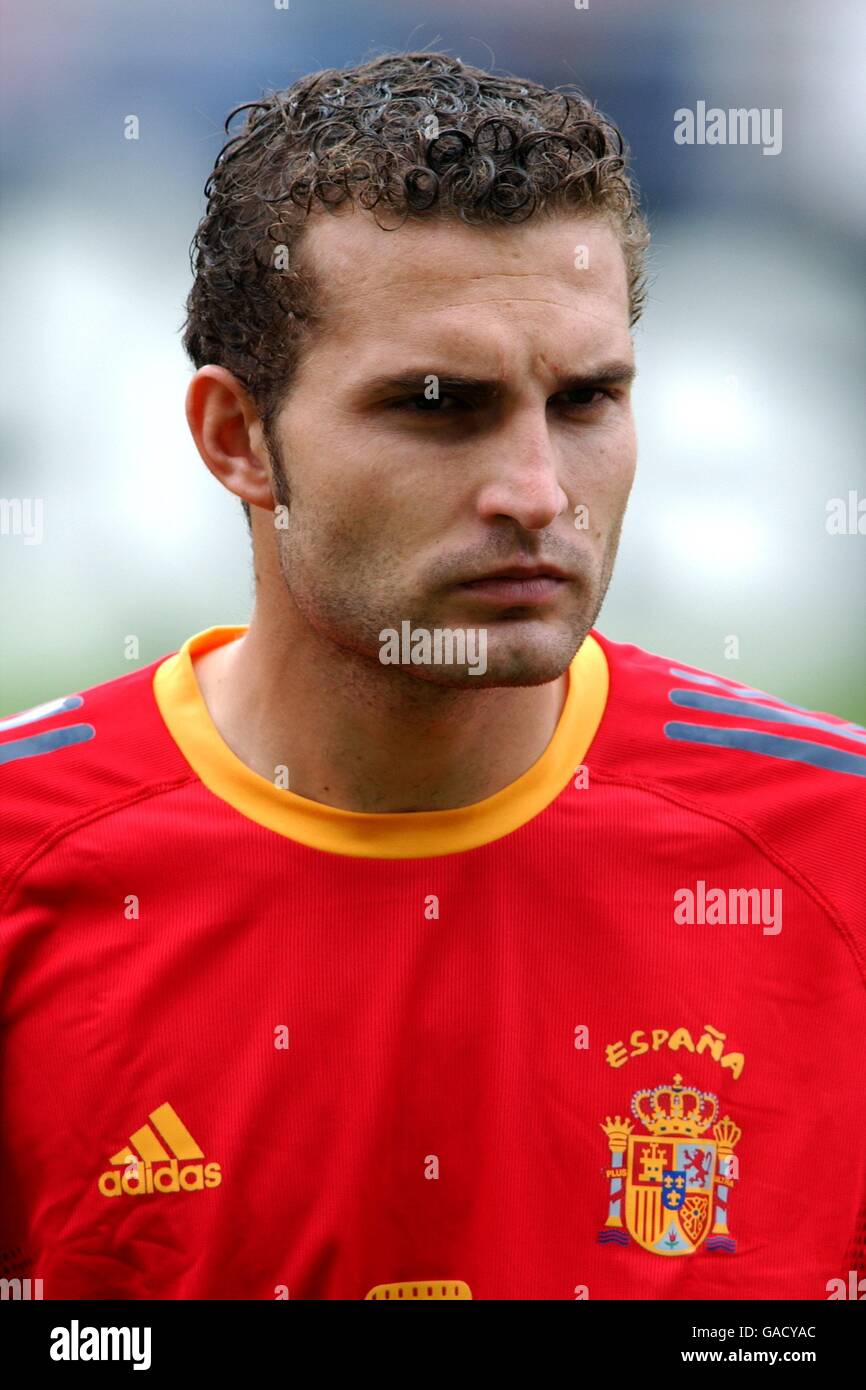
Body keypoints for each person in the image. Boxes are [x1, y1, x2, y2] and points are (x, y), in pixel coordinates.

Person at [1, 51, 863, 1302]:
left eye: (584, 400)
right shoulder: (25, 868)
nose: (535, 491)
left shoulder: (834, 856)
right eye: (436, 405)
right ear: (237, 440)